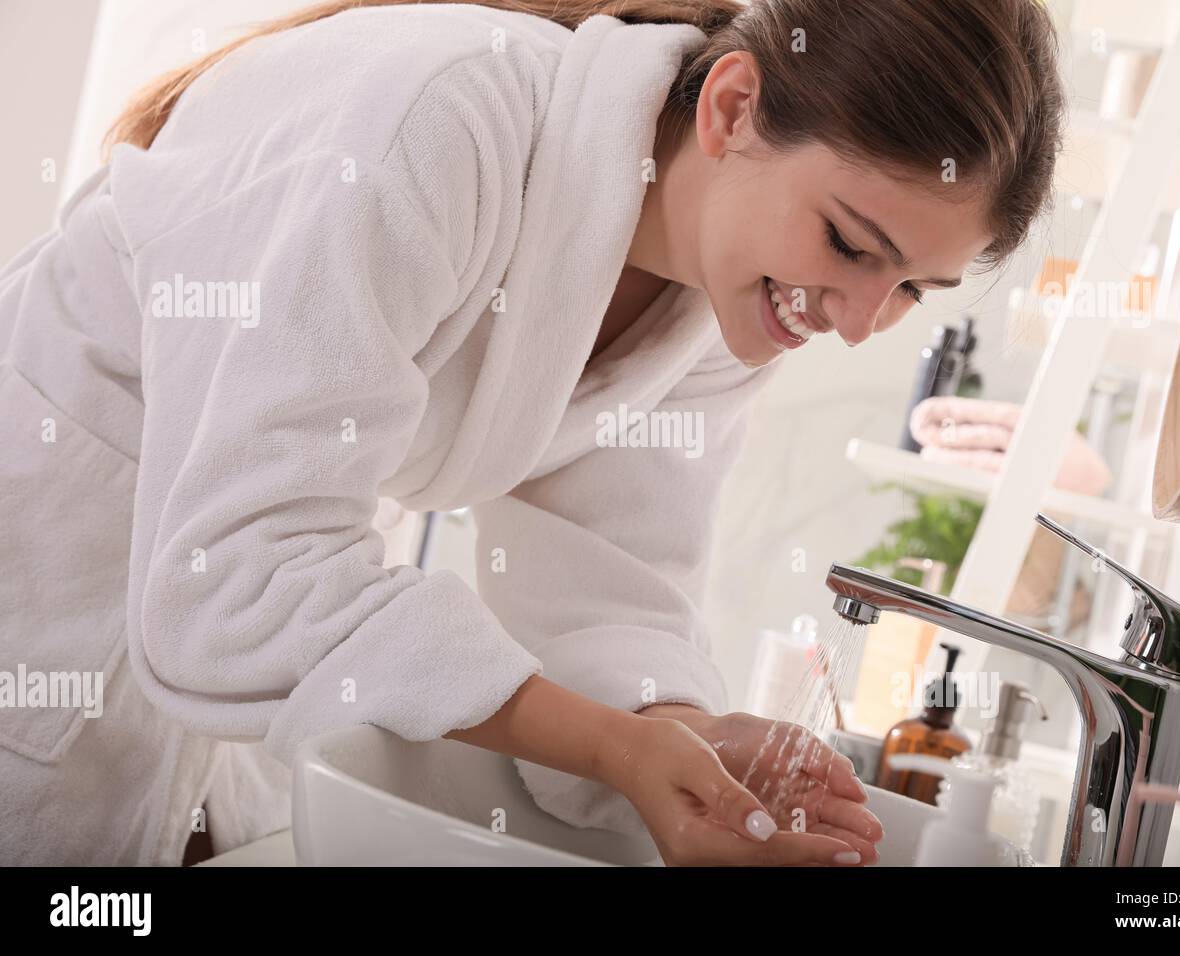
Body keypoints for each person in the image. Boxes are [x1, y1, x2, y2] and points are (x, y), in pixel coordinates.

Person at [0, 0, 1063, 865]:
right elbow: (233, 568)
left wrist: (685, 727)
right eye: (848, 242)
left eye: (910, 291)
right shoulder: (428, 124)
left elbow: (606, 580)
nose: (856, 320)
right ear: (734, 109)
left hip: (187, 708)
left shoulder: (713, 302)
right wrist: (613, 743)